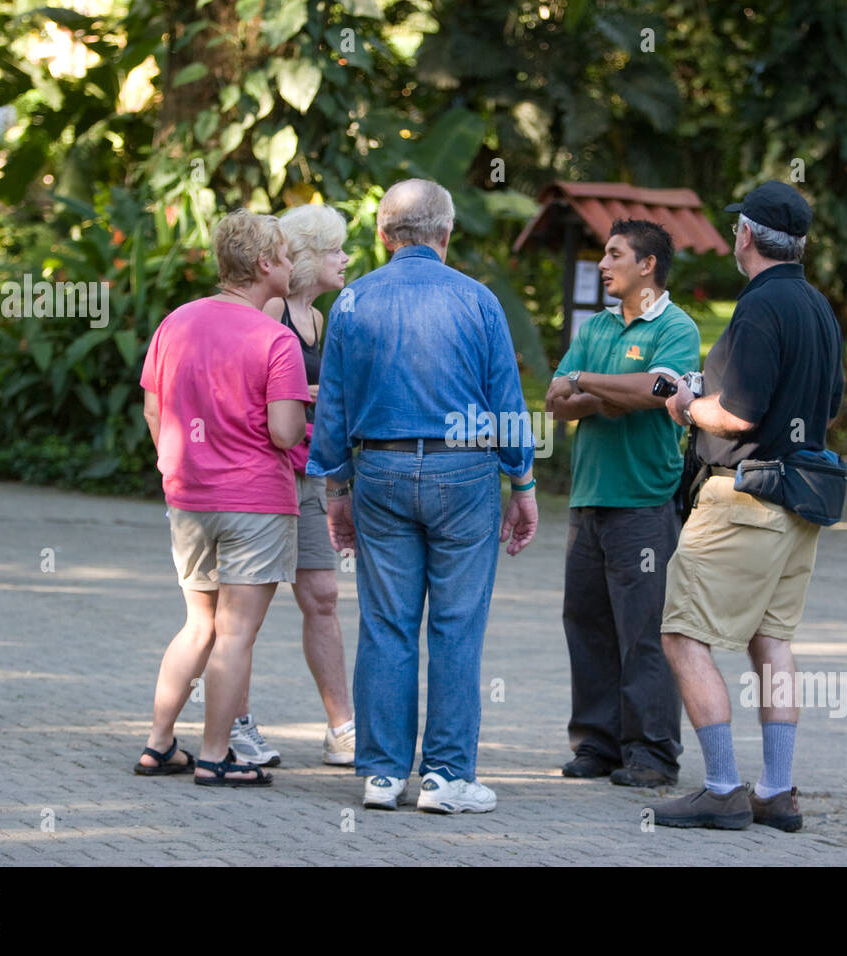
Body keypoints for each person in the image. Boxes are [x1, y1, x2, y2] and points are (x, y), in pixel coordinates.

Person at [307, 178, 539, 814]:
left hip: (376, 471)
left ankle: (381, 774)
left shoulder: (353, 302)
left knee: (386, 623)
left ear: (383, 234)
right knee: (457, 626)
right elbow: (505, 403)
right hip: (465, 475)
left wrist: (335, 491)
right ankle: (446, 778)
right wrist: (522, 484)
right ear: (446, 234)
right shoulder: (480, 301)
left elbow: (332, 407)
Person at [644, 181, 844, 830]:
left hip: (744, 499)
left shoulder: (760, 308)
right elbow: (823, 402)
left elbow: (734, 415)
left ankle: (725, 787)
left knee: (681, 634)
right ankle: (777, 789)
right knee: (771, 639)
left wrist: (683, 403)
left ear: (747, 236)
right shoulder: (816, 308)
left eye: (737, 229)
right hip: (799, 502)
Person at [133, 209, 310, 787]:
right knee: (235, 634)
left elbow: (155, 409)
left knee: (197, 625)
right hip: (256, 500)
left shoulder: (175, 323)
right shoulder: (275, 338)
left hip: (189, 497)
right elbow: (285, 433)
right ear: (265, 266)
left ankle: (159, 745)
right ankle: (215, 756)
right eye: (285, 257)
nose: (290, 267)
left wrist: (176, 467)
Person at [544, 219, 700, 788]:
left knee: (646, 631)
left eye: (614, 255)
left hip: (644, 502)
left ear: (647, 265)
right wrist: (613, 396)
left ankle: (652, 754)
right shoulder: (598, 325)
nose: (604, 264)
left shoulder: (677, 327)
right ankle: (596, 745)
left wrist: (592, 385)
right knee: (585, 624)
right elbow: (556, 401)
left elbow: (656, 393)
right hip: (588, 500)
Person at [227, 204, 357, 769]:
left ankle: (342, 728)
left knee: (323, 597)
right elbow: (260, 386)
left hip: (308, 475)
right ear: (303, 257)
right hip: (263, 474)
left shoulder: (319, 319)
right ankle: (235, 722)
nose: (345, 259)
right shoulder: (272, 308)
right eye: (334, 250)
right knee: (243, 608)